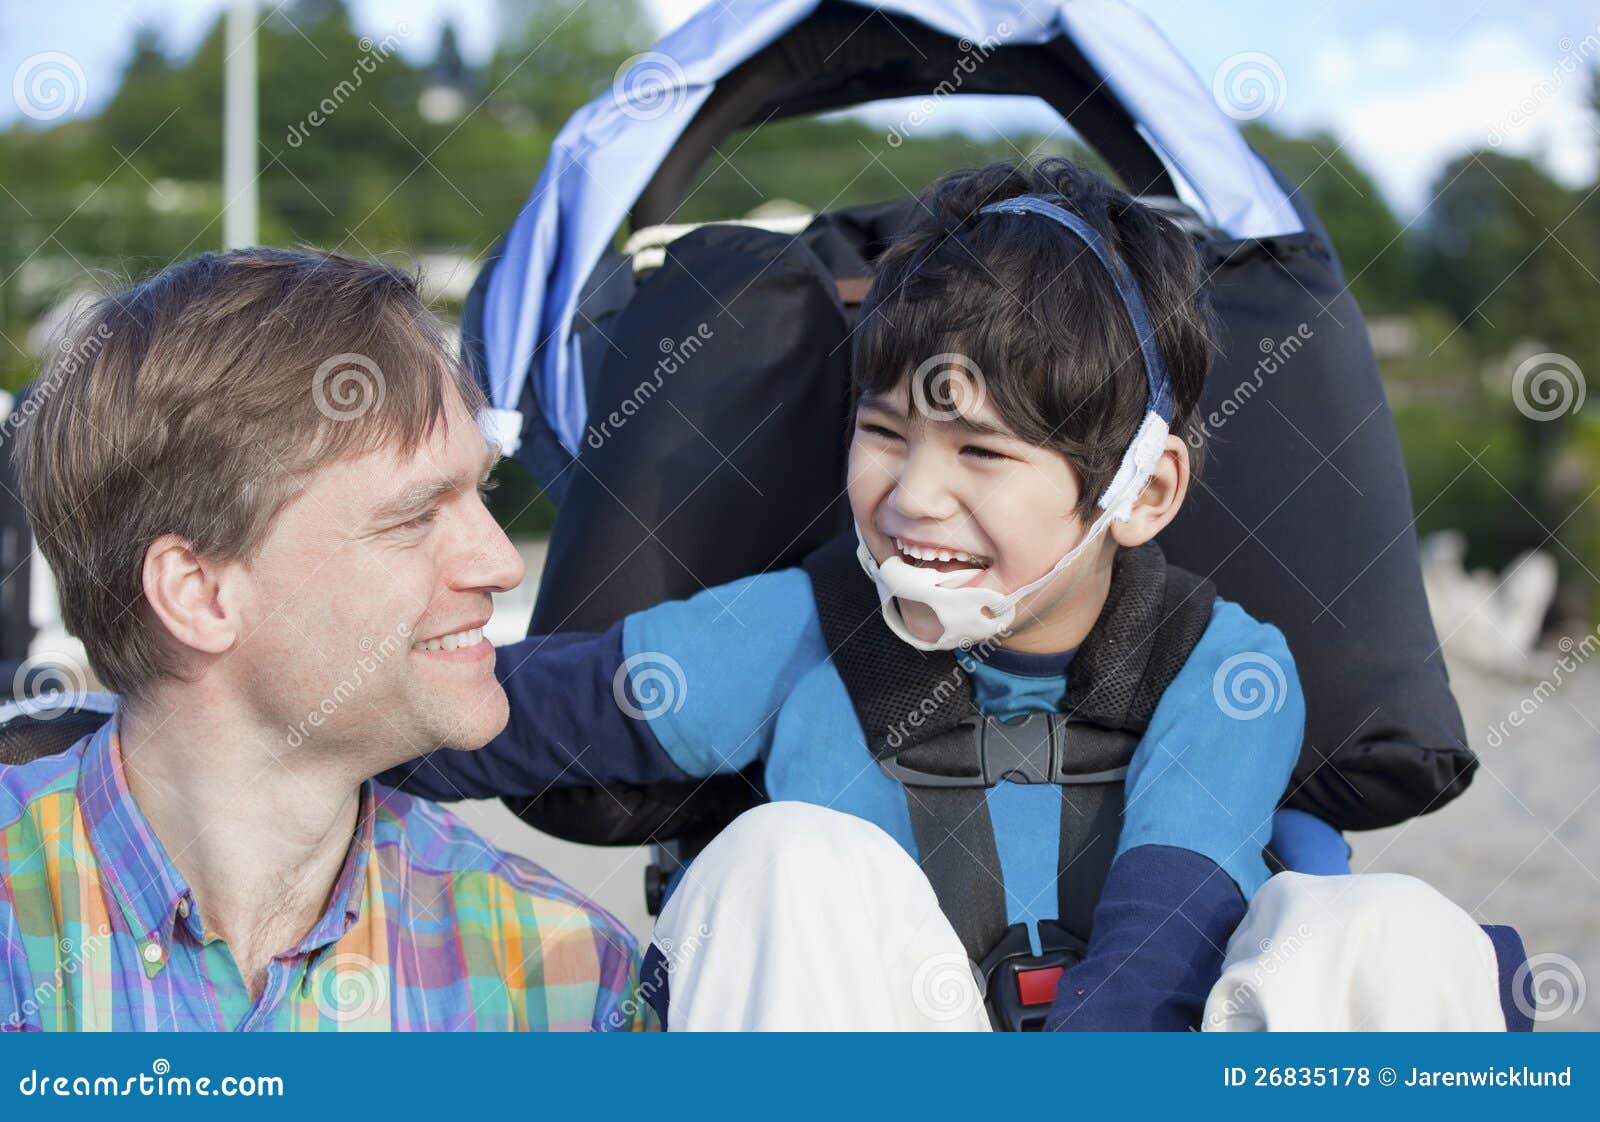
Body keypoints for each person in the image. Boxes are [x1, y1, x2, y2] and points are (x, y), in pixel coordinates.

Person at [386, 160, 1532, 1031]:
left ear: (1143, 490)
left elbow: (1160, 944)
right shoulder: (795, 633)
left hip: (1141, 1042)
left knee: (1394, 928)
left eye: (981, 455)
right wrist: (285, 717)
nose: (912, 497)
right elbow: (503, 710)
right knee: (775, 858)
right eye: (884, 433)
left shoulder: (1220, 671)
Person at [1, 248, 650, 1031]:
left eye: (480, 494)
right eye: (415, 515)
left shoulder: (565, 984)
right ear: (198, 592)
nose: (503, 564)